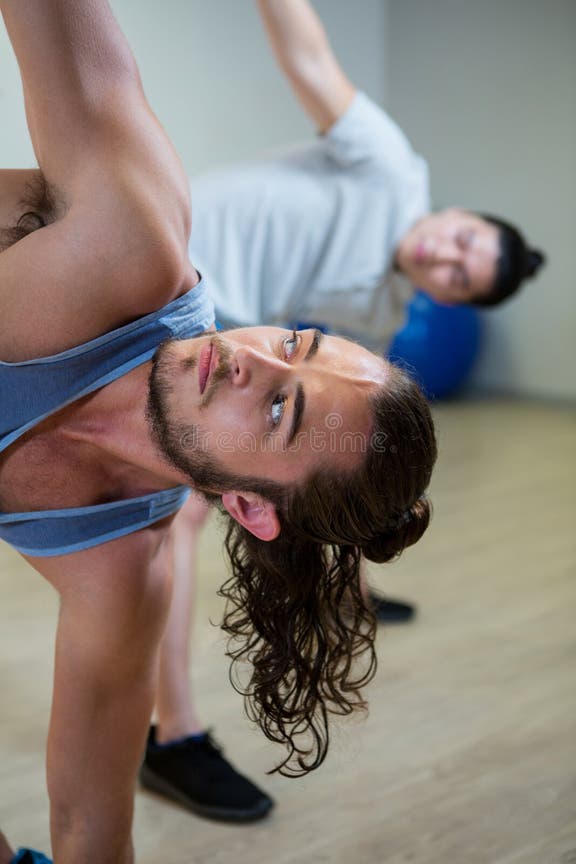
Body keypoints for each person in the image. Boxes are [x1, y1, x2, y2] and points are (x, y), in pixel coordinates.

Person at [0, 1, 437, 860]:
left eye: (281, 410)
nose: (249, 359)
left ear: (247, 506)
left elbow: (90, 826)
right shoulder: (126, 240)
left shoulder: (122, 572)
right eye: (296, 344)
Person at [138, 0, 547, 825]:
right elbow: (310, 59)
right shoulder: (392, 169)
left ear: (448, 299)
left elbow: (336, 452)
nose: (449, 257)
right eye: (464, 240)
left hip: (217, 319)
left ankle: (340, 599)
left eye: (461, 277)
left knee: (317, 457)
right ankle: (170, 735)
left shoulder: (376, 314)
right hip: (172, 265)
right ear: (457, 213)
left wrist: (357, 553)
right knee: (174, 519)